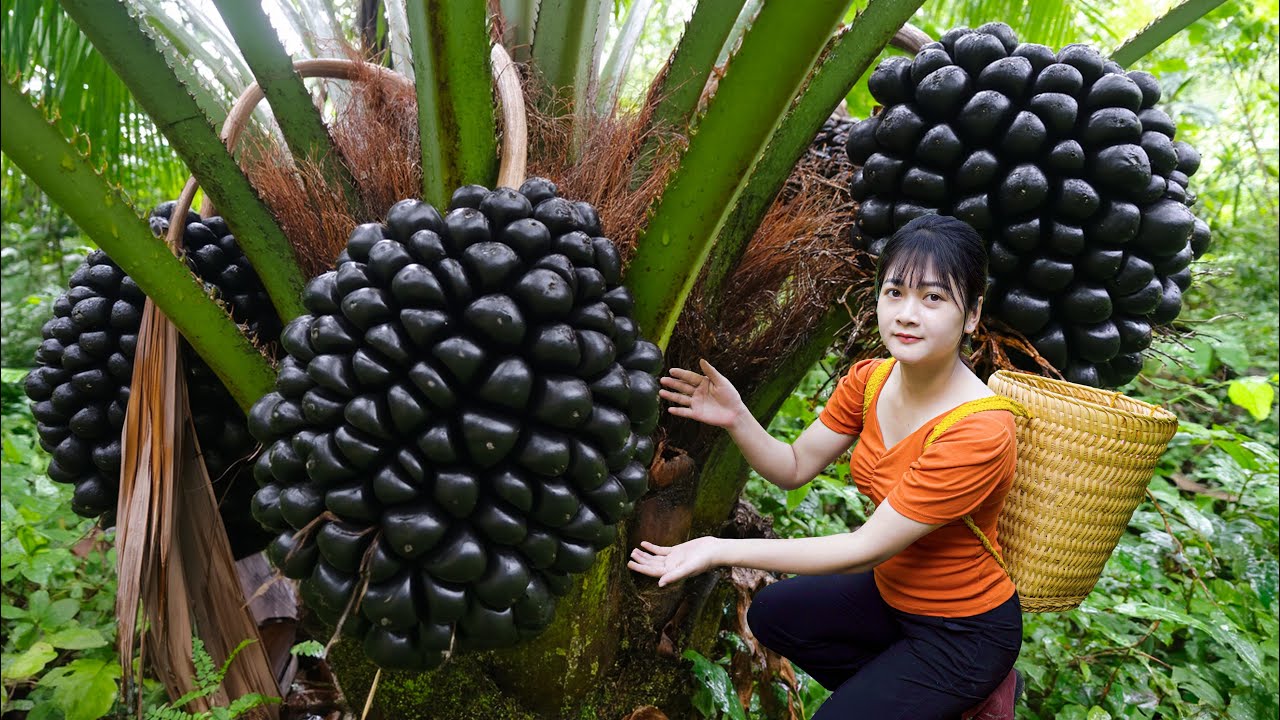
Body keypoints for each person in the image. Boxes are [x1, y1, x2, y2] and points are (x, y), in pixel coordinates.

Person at [628, 214, 1023, 720]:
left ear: (971, 314)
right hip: (890, 596)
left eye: (933, 298)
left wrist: (715, 548)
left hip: (962, 630)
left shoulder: (979, 431)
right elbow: (793, 466)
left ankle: (955, 692)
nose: (906, 313)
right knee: (773, 616)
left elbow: (862, 549)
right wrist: (735, 417)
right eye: (894, 292)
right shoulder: (871, 380)